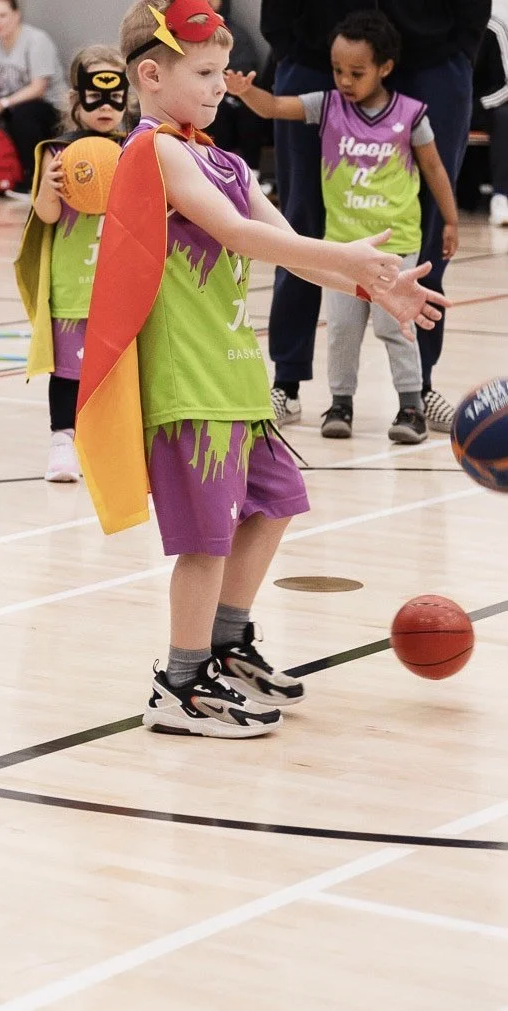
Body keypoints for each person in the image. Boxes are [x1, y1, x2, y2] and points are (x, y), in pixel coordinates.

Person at [79, 0, 447, 738]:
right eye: (205, 72)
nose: (221, 86)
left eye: (222, 71)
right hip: (186, 380)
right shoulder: (153, 152)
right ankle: (179, 684)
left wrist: (371, 283)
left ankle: (224, 641)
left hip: (233, 372)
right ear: (150, 76)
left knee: (277, 497)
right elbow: (238, 236)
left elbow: (285, 239)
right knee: (202, 540)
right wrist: (345, 259)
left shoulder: (219, 156)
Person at [227, 11, 459, 445]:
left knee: (397, 326)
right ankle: (340, 403)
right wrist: (246, 92)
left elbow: (434, 168)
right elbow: (276, 106)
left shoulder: (410, 115)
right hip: (344, 249)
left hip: (398, 245)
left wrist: (449, 219)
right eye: (337, 70)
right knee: (342, 331)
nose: (345, 81)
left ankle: (411, 405)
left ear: (385, 68)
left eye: (356, 72)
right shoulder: (327, 104)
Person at [15, 44, 128, 482]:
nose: (105, 107)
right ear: (75, 98)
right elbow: (45, 215)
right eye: (94, 95)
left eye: (115, 96)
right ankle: (62, 441)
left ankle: (112, 443)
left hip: (118, 285)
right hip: (73, 285)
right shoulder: (57, 151)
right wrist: (51, 185)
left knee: (118, 371)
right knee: (68, 372)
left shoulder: (137, 147)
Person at [0, 0, 66, 194]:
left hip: (44, 107)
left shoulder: (36, 40)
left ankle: (30, 179)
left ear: (16, 15)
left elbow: (38, 87)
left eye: (2, 15)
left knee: (23, 115)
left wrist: (5, 103)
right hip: (5, 106)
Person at [205, 0, 267, 173]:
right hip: (191, 96)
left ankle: (249, 170)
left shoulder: (234, 34)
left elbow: (244, 70)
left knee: (242, 103)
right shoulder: (177, 34)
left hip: (225, 98)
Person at [482, 0, 508, 226]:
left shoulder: (495, 28)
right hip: (452, 100)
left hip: (485, 105)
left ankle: (500, 196)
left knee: (504, 117)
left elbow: (505, 85)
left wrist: (478, 104)